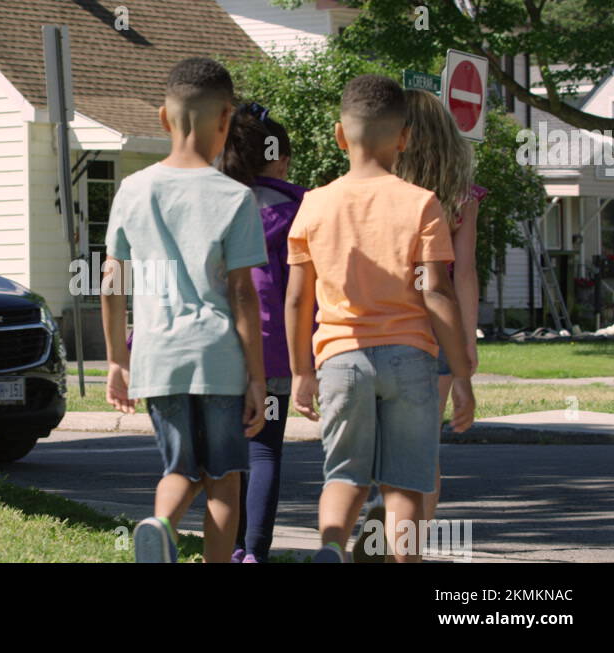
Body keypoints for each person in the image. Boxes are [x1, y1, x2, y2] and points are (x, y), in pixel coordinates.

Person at [285, 74, 476, 563]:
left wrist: (301, 372)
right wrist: (460, 374)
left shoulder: (313, 203)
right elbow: (437, 292)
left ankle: (331, 547)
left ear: (339, 135)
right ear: (404, 138)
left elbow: (296, 300)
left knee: (344, 476)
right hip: (410, 358)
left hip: (340, 358)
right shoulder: (422, 203)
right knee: (405, 485)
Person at [101, 57, 269, 563]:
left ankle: (159, 523)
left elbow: (112, 283)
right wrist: (257, 379)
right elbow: (242, 293)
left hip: (158, 355)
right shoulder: (236, 198)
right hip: (218, 357)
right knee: (223, 482)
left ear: (162, 117)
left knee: (179, 469)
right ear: (225, 121)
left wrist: (117, 358)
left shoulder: (132, 190)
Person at [219, 103, 307, 563]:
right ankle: (253, 553)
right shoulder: (299, 210)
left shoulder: (211, 205)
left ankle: (225, 545)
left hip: (217, 348)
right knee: (264, 452)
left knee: (224, 459)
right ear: (277, 158)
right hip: (273, 350)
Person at [394, 89, 487, 523]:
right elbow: (464, 275)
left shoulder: (380, 190)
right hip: (438, 328)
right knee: (423, 451)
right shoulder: (461, 197)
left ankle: (385, 530)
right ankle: (409, 547)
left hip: (382, 321)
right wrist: (466, 351)